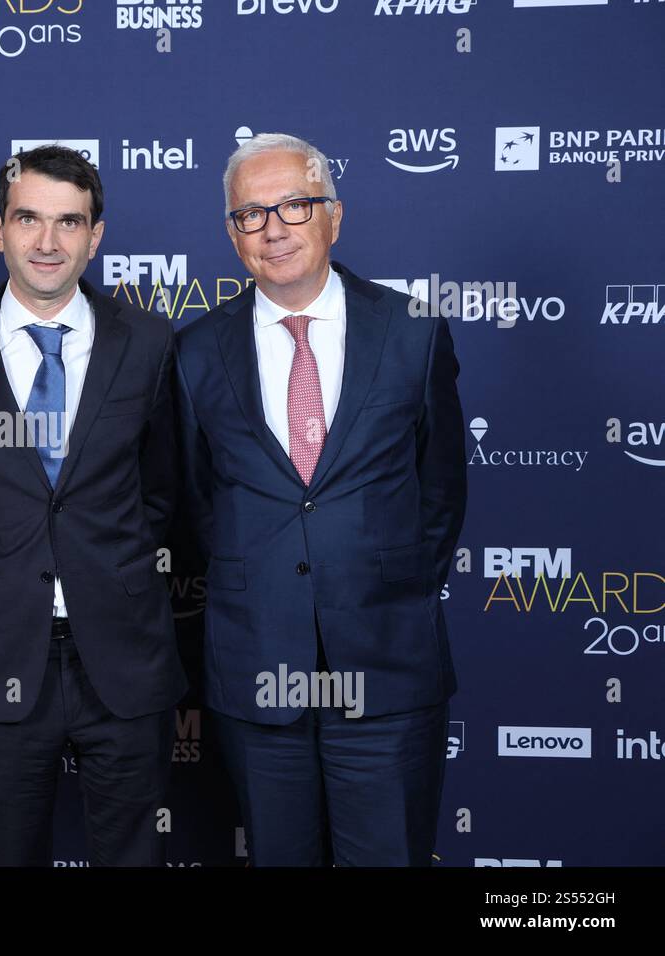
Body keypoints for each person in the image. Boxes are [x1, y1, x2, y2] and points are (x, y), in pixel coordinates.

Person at [174, 133, 467, 866]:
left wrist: (379, 581)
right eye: (251, 214)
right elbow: (197, 498)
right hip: (258, 670)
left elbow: (441, 490)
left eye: (295, 206)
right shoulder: (195, 350)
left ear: (335, 214)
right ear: (232, 233)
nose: (274, 228)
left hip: (387, 665)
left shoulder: (411, 331)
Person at [0, 145, 187, 866]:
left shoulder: (150, 341)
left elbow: (163, 487)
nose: (47, 241)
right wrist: (9, 553)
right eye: (29, 218)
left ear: (95, 237)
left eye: (70, 222)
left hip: (123, 657)